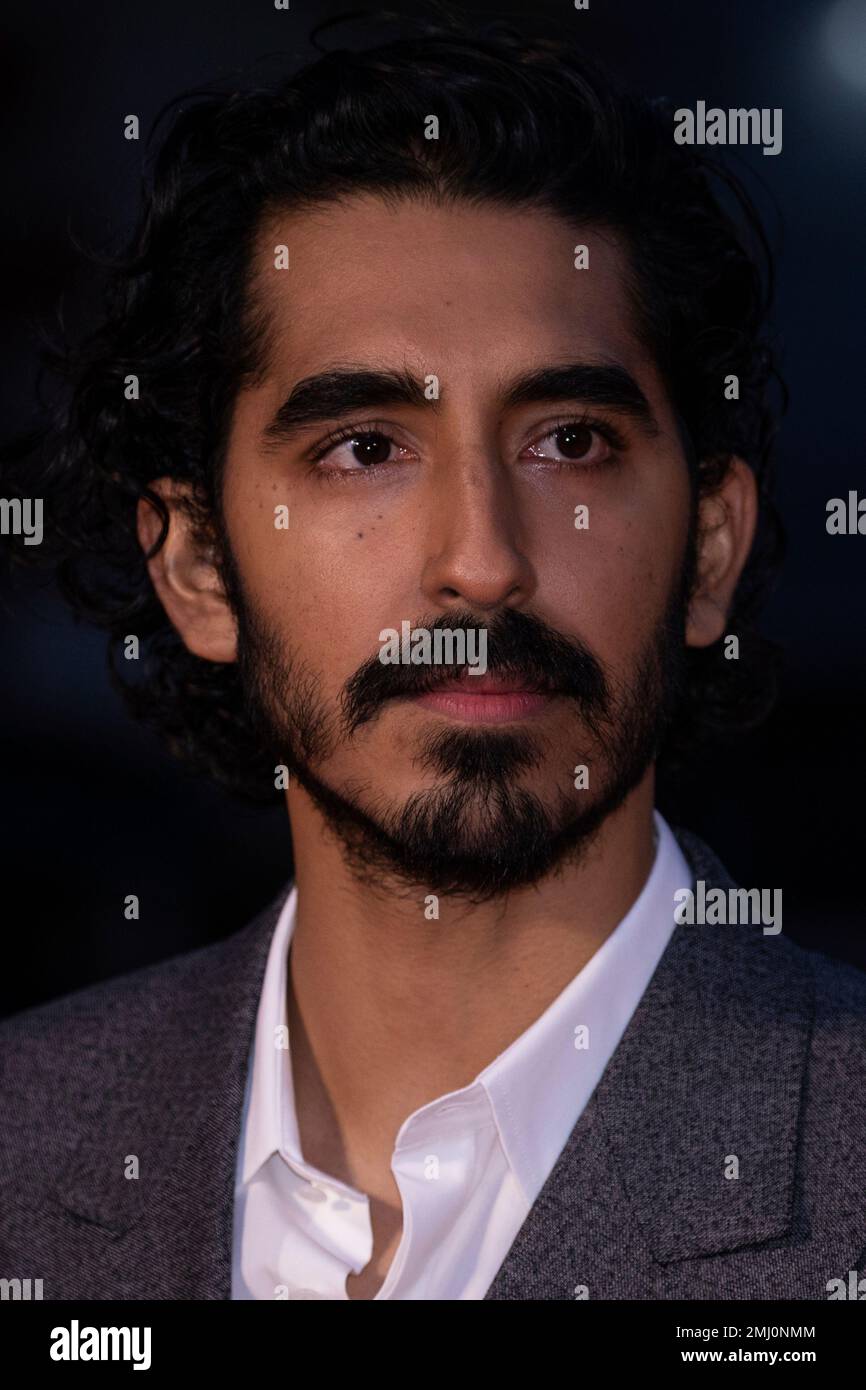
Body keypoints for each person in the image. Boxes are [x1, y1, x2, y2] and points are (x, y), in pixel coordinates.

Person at [2, 12, 865, 1301]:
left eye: (570, 441)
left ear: (706, 550)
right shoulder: (26, 1140)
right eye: (363, 447)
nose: (482, 559)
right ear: (196, 565)